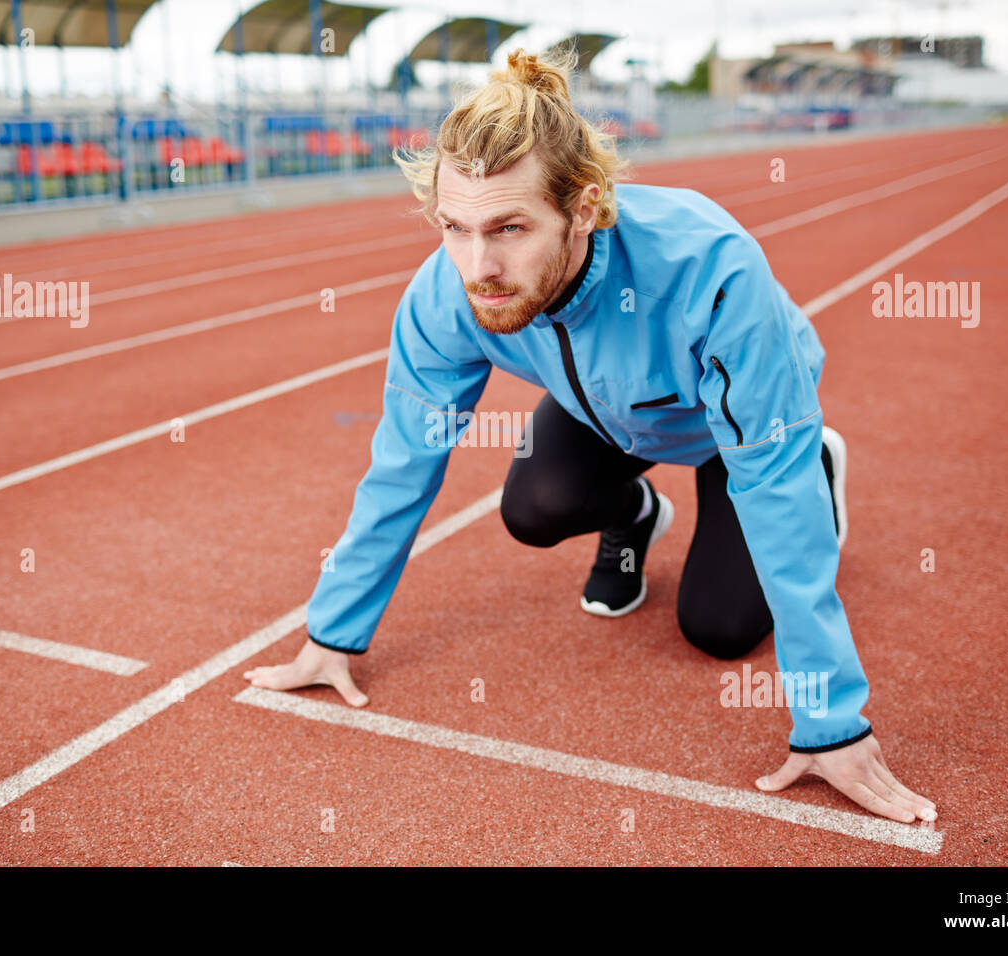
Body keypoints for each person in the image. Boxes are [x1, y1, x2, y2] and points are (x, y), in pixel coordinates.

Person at [245, 47, 936, 825]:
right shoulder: (448, 293)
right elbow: (404, 458)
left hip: (732, 427)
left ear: (586, 207)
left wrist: (830, 723)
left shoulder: (710, 271)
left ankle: (823, 462)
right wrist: (332, 632)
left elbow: (772, 490)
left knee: (717, 628)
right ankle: (636, 517)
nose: (480, 265)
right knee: (533, 509)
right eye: (455, 228)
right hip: (603, 413)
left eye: (509, 227)